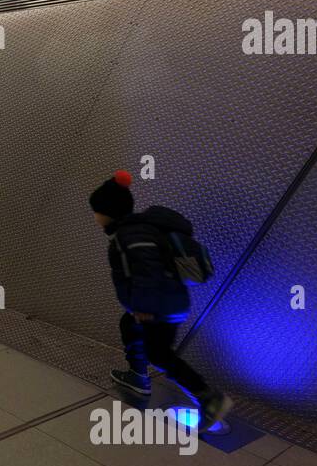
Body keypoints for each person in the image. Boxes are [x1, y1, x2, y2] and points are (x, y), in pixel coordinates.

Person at [89, 170, 233, 430]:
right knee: (129, 326)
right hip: (166, 302)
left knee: (160, 354)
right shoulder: (135, 231)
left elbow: (147, 272)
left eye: (96, 211)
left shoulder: (129, 235)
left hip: (157, 306)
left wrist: (143, 306)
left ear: (109, 212)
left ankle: (209, 398)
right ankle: (137, 377)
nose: (95, 216)